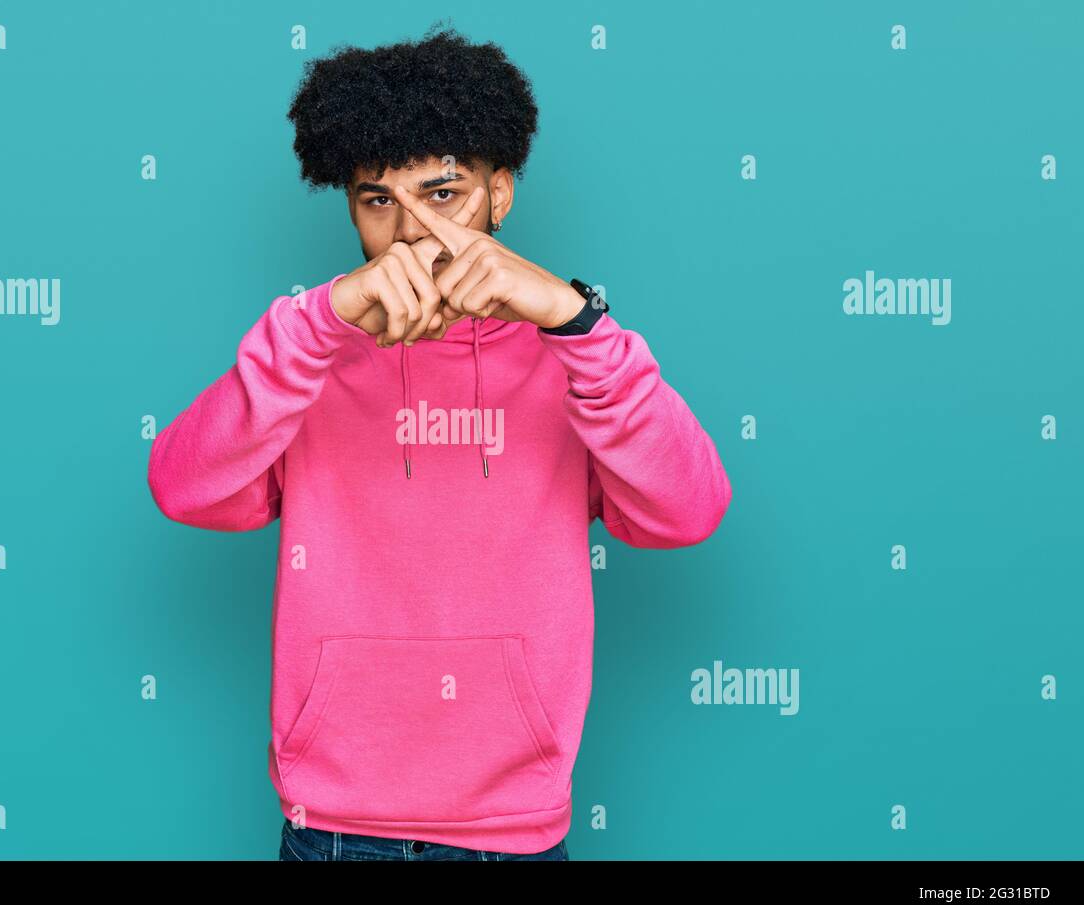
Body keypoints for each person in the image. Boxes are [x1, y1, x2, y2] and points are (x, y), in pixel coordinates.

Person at [147, 25, 733, 861]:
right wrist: (316, 323)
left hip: (516, 832)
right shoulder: (306, 358)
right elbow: (182, 486)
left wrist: (577, 323)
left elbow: (689, 509)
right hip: (336, 830)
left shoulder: (572, 361)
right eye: (377, 199)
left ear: (501, 193)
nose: (414, 232)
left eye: (445, 192)